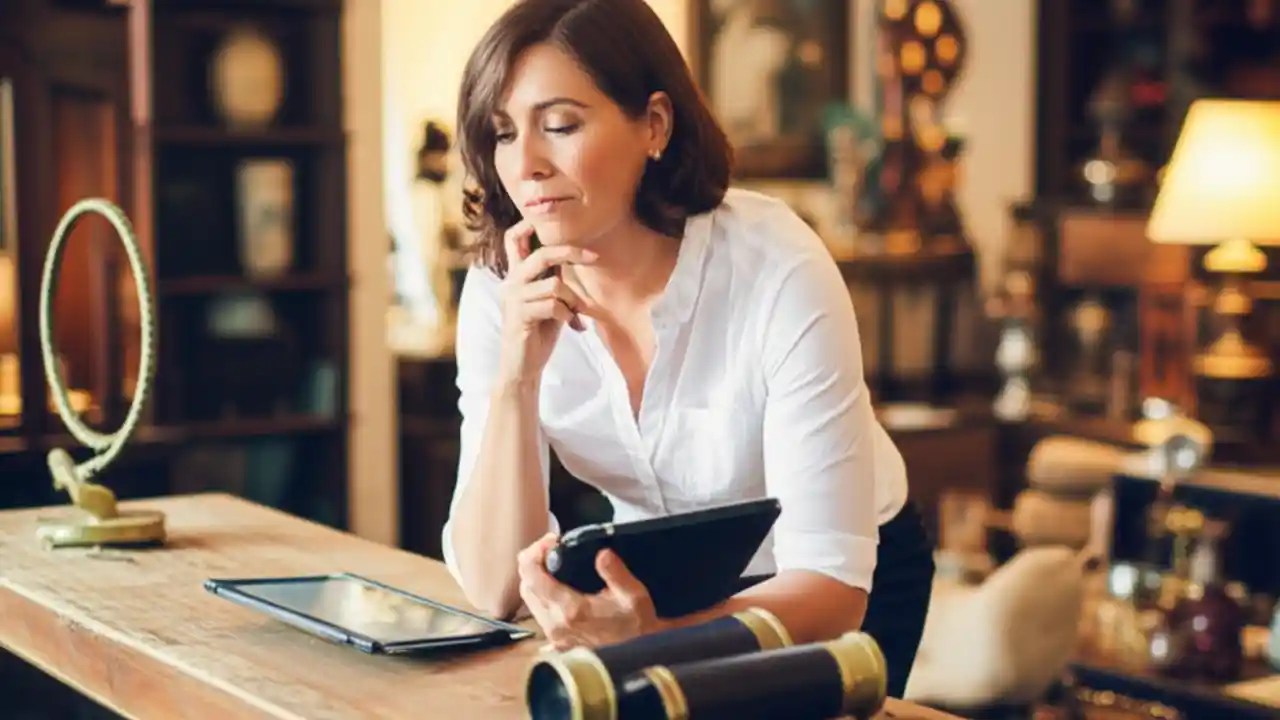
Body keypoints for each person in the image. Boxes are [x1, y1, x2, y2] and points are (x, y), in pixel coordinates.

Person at [440, 0, 935, 698]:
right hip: (659, 588)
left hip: (839, 585)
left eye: (560, 125)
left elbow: (832, 591)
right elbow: (494, 586)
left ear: (655, 125)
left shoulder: (776, 267)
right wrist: (516, 379)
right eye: (501, 134)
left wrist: (653, 642)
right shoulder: (503, 284)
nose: (526, 165)